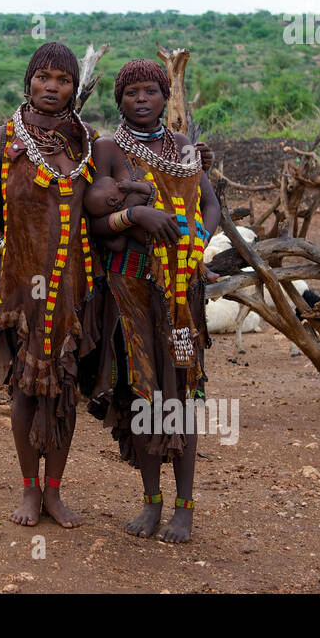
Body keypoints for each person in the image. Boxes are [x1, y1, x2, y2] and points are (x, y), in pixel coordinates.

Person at [0, 42, 101, 528]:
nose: (52, 87)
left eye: (63, 80)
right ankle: (28, 491)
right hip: (21, 287)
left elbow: (99, 208)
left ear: (74, 88)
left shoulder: (86, 142)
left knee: (65, 388)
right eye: (43, 77)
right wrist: (8, 249)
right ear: (29, 81)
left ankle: (56, 493)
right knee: (25, 387)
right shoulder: (2, 139)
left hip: (72, 283)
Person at [85, 58, 218, 544]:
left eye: (151, 91)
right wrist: (136, 215)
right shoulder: (106, 150)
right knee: (143, 392)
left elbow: (210, 203)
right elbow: (95, 222)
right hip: (129, 293)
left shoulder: (183, 147)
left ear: (166, 95)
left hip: (182, 293)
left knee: (180, 391)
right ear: (118, 100)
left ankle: (185, 507)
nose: (141, 99)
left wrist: (194, 240)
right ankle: (151, 501)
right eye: (131, 92)